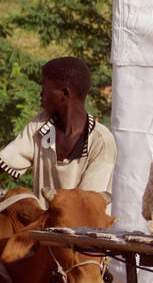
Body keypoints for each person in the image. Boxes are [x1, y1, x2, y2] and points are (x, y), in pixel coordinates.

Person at [0, 57, 116, 210]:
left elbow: (85, 204)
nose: (40, 94)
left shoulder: (101, 141)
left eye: (44, 88)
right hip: (43, 231)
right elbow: (7, 160)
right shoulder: (40, 125)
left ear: (64, 94)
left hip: (83, 230)